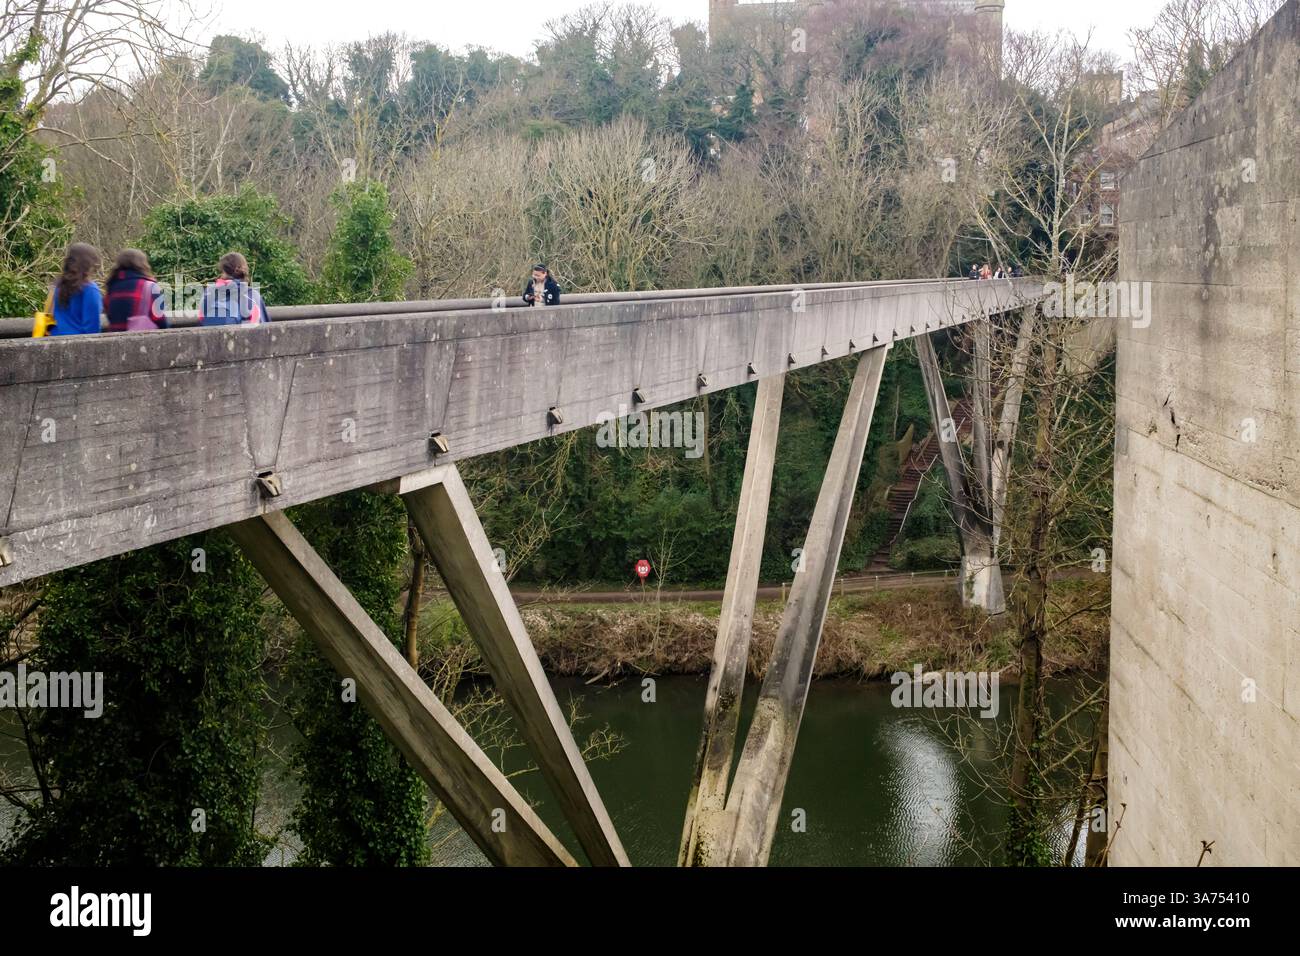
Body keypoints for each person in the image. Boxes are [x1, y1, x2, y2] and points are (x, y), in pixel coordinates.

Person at [105, 248, 167, 332]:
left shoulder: (112, 286)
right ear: (143, 264)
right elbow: (161, 321)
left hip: (114, 341)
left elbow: (109, 314)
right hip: (143, 341)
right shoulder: (151, 287)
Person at [199, 252, 269, 326]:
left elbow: (201, 318)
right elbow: (264, 325)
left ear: (223, 271)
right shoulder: (252, 295)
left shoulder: (209, 292)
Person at [48, 243, 103, 336]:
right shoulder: (90, 289)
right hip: (77, 344)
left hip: (53, 339)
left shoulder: (58, 285)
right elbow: (92, 328)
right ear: (88, 264)